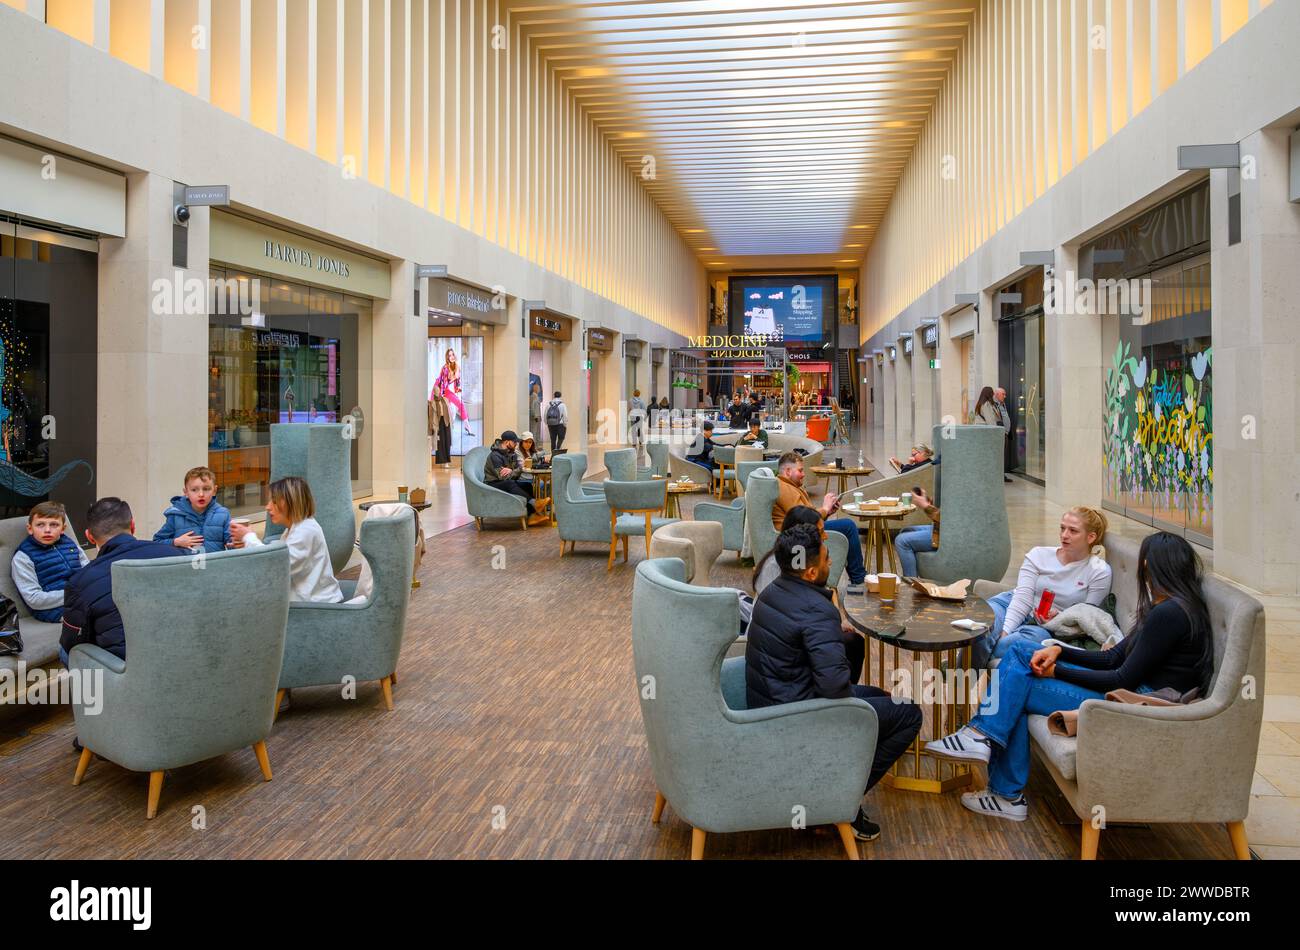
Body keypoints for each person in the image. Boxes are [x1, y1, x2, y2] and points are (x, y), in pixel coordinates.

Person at [927, 531, 1213, 822]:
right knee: (1023, 652)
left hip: (1134, 703)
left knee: (1019, 683)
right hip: (1131, 690)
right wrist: (1059, 652)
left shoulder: (1168, 615)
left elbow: (1120, 679)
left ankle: (997, 773)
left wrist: (1057, 670)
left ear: (1149, 567)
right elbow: (1113, 657)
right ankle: (985, 746)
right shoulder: (1173, 607)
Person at [746, 523, 923, 841]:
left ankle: (834, 786)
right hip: (796, 715)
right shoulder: (816, 609)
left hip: (771, 702)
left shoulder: (773, 590)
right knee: (910, 714)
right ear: (811, 572)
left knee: (882, 696)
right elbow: (835, 688)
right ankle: (836, 799)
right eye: (827, 560)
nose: (831, 565)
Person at [975, 507, 1112, 667]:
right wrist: (1004, 632)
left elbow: (1088, 616)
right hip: (1010, 604)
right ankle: (959, 685)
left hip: (1046, 626)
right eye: (1062, 528)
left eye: (1073, 531)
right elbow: (1022, 598)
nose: (1064, 535)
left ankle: (969, 671)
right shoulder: (1039, 555)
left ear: (1090, 537)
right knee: (981, 629)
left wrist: (1060, 616)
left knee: (1028, 641)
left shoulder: (1099, 571)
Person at [59, 498, 179, 664]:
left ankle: (90, 691)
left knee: (65, 653)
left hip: (125, 671)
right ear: (132, 525)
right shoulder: (175, 555)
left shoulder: (80, 582)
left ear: (90, 537)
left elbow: (71, 642)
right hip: (179, 654)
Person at [230, 476, 345, 603]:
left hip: (316, 604)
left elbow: (277, 563)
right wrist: (246, 543)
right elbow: (275, 556)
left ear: (290, 502)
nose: (267, 507)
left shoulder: (306, 530)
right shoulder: (293, 529)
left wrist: (248, 537)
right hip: (306, 598)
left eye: (273, 501)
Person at [771, 451, 866, 593]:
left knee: (847, 525)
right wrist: (825, 508)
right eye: (800, 470)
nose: (803, 474)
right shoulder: (783, 488)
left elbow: (807, 514)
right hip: (798, 533)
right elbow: (802, 519)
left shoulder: (792, 486)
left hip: (803, 528)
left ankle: (858, 579)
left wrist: (826, 512)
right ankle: (859, 580)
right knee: (848, 526)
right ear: (788, 471)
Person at [11, 501, 89, 623]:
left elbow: (89, 572)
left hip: (83, 598)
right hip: (54, 610)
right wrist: (75, 594)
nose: (47, 530)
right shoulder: (23, 557)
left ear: (63, 529)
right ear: (30, 529)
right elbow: (34, 599)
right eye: (40, 525)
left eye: (54, 525)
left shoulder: (71, 545)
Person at [152, 465, 233, 555]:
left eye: (206, 489)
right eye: (194, 490)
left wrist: (239, 541)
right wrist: (176, 542)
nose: (201, 494)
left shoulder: (223, 514)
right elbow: (156, 542)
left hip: (215, 567)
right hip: (186, 567)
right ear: (186, 492)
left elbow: (233, 545)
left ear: (214, 490)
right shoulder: (175, 515)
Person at [478, 430, 550, 527]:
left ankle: (532, 516)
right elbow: (503, 477)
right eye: (514, 442)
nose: (516, 444)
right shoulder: (495, 456)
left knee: (527, 485)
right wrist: (513, 470)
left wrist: (511, 470)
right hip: (492, 484)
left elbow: (515, 472)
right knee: (510, 483)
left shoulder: (511, 454)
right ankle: (535, 503)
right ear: (507, 442)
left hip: (504, 481)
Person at [892, 485, 942, 578]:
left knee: (901, 541)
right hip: (940, 528)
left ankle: (911, 582)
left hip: (946, 533)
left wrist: (926, 506)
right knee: (905, 531)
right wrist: (929, 501)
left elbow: (948, 520)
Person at [434, 348, 474, 438]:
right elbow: (443, 383)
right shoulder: (445, 368)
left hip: (451, 391)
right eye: (449, 355)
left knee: (453, 409)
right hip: (444, 391)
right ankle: (466, 426)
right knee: (458, 406)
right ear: (447, 357)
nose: (451, 357)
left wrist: (458, 393)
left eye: (452, 355)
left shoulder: (457, 366)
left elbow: (458, 383)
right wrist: (443, 395)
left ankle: (455, 428)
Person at [994, 386, 1014, 482]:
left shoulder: (1002, 404)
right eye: (1003, 394)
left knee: (1004, 456)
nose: (1005, 396)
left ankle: (1002, 475)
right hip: (1000, 433)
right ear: (997, 394)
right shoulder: (994, 405)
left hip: (1005, 433)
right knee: (1000, 456)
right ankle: (999, 476)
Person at [628, 389, 647, 461]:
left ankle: (634, 443)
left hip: (632, 415)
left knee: (633, 429)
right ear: (639, 394)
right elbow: (644, 409)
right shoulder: (641, 401)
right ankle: (641, 442)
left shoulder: (630, 400)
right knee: (639, 429)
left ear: (633, 394)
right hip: (639, 416)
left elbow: (629, 408)